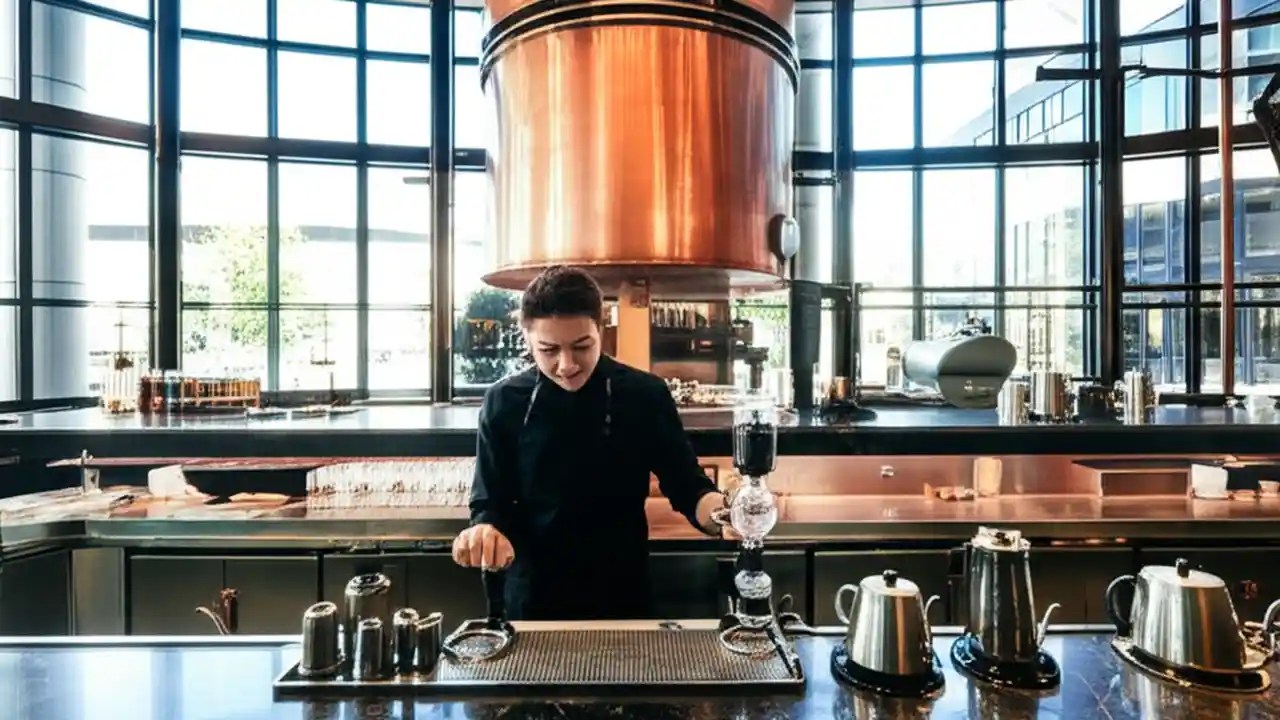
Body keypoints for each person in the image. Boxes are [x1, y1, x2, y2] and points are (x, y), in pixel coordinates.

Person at [451, 265, 729, 620]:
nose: (566, 365)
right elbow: (489, 502)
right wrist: (485, 532)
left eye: (582, 346)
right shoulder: (503, 402)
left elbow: (689, 487)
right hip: (533, 601)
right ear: (527, 339)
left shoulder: (644, 395)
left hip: (623, 597)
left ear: (601, 331)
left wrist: (727, 516)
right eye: (548, 350)